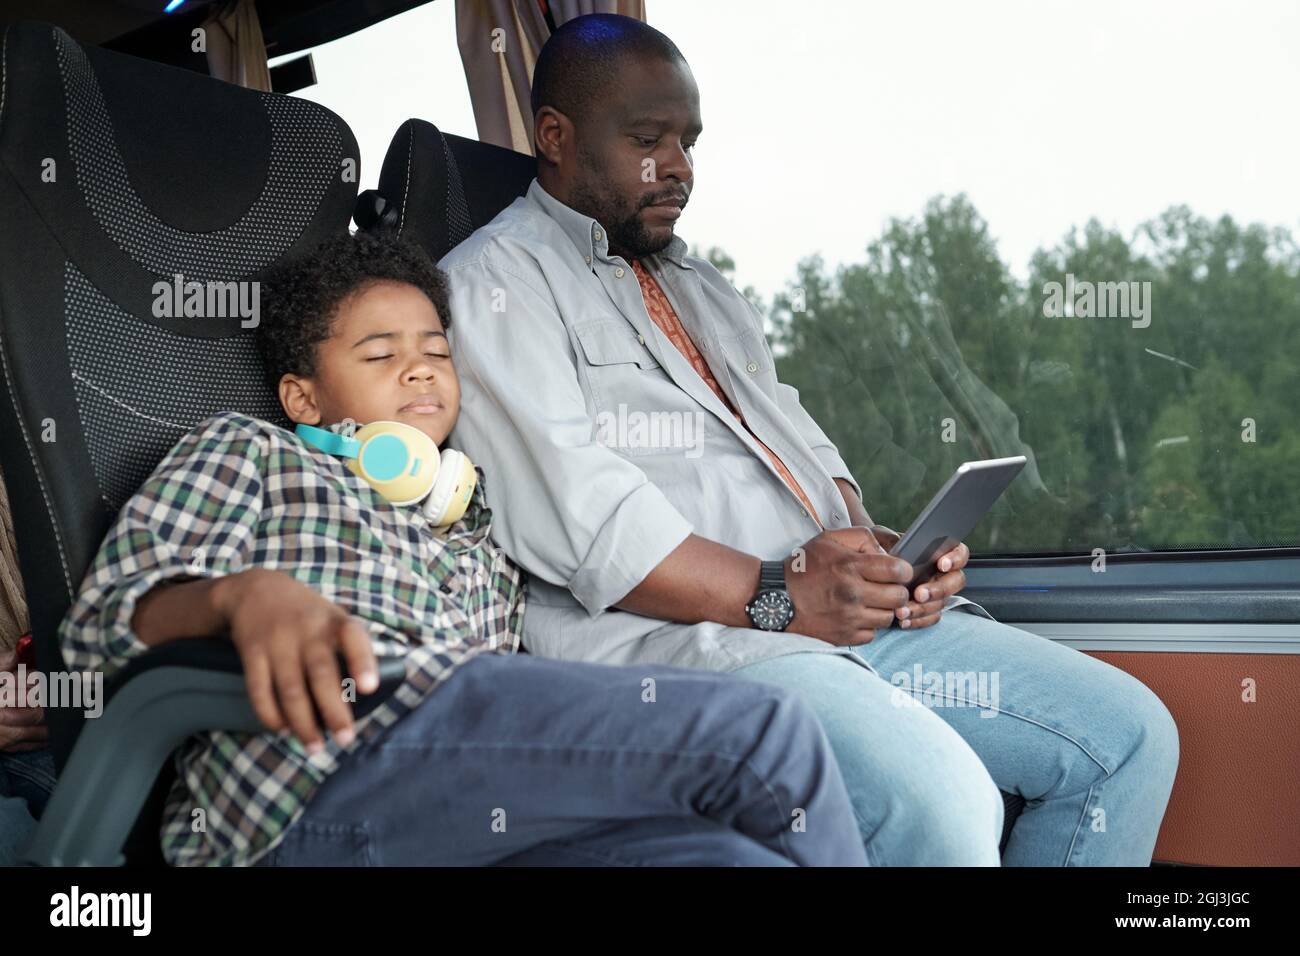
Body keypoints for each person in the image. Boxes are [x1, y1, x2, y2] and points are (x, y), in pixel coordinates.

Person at [440, 13, 1180, 866]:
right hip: (693, 647)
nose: (678, 166)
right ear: (555, 136)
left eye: (689, 139)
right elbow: (590, 526)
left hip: (830, 617)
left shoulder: (702, 285)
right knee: (942, 798)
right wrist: (779, 594)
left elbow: (796, 437)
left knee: (1128, 737)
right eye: (649, 138)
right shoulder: (491, 288)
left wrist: (876, 558)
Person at [57, 231, 867, 867]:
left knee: (724, 856)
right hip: (317, 790)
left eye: (438, 353)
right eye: (380, 356)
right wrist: (236, 598)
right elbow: (98, 630)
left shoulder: (474, 511)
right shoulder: (251, 453)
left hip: (468, 807)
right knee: (766, 734)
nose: (419, 371)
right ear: (303, 396)